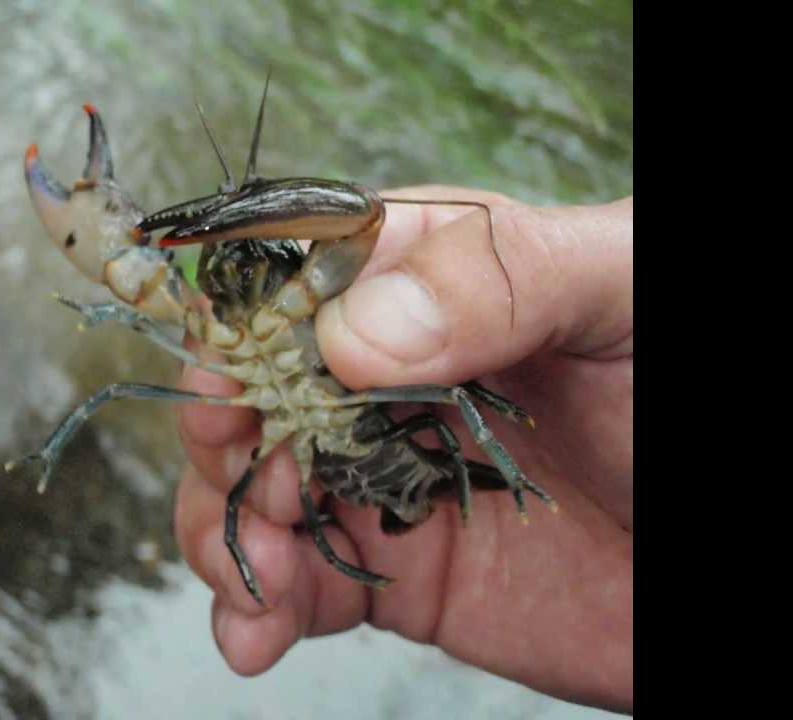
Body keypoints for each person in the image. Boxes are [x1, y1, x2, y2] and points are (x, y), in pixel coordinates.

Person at [172, 186, 633, 714]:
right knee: (246, 492)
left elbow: (361, 221)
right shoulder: (225, 325)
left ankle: (498, 480)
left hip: (381, 452)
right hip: (326, 472)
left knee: (450, 397)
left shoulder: (319, 302)